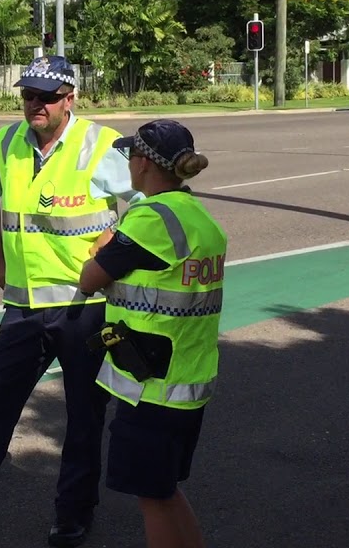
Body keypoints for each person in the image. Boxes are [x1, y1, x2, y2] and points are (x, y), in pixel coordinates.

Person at [0, 56, 142, 548]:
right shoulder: (7, 142)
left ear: (70, 98)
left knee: (84, 419)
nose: (34, 104)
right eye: (28, 95)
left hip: (85, 308)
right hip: (23, 308)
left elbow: (148, 203)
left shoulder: (100, 145)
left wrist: (117, 239)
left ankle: (72, 516)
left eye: (45, 96)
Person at [77, 118, 225, 548]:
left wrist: (105, 247)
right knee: (166, 491)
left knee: (153, 498)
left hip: (153, 386)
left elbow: (90, 278)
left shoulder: (150, 220)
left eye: (130, 155)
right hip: (187, 378)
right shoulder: (195, 214)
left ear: (142, 163)